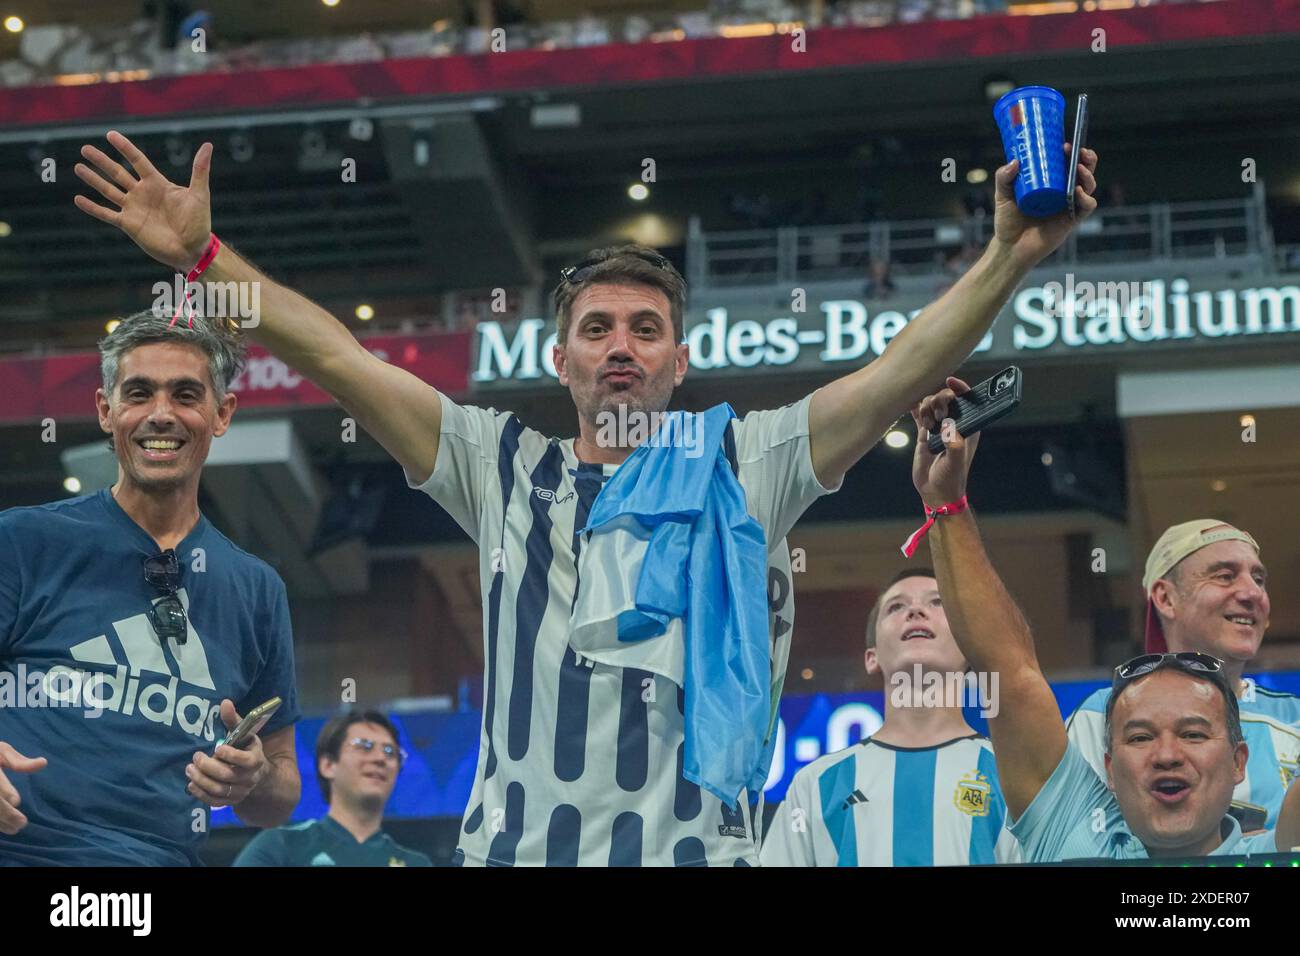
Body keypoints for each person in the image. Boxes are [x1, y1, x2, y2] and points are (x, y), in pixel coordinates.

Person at [72, 129, 1098, 866]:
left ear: (679, 358)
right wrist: (205, 262)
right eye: (598, 327)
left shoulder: (747, 460)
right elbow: (334, 353)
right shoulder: (495, 462)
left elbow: (897, 365)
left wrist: (1008, 256)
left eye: (644, 328)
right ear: (560, 358)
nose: (620, 346)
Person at [909, 382, 1298, 861]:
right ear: (1108, 768)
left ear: (1240, 761)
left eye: (1195, 734)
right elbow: (1009, 673)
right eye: (1139, 737)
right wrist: (945, 503)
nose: (1168, 754)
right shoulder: (1077, 830)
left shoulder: (1278, 850)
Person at [0, 310, 301, 865]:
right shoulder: (21, 541)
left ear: (221, 414)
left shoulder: (257, 589)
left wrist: (253, 775)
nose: (161, 415)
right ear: (105, 409)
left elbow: (280, 795)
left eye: (186, 395)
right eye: (139, 393)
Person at [761, 566, 1019, 866]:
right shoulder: (815, 785)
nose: (916, 611)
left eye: (937, 603)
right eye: (897, 606)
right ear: (872, 658)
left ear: (969, 646)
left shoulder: (1011, 778)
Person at [1067, 521, 1300, 829]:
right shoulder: (1098, 716)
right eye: (1225, 576)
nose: (1252, 592)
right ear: (1165, 598)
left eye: (1258, 579)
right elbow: (1076, 841)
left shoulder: (1295, 717)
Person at [233, 709, 432, 867]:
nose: (381, 759)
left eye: (390, 752)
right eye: (364, 746)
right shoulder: (280, 846)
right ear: (328, 765)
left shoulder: (417, 863)